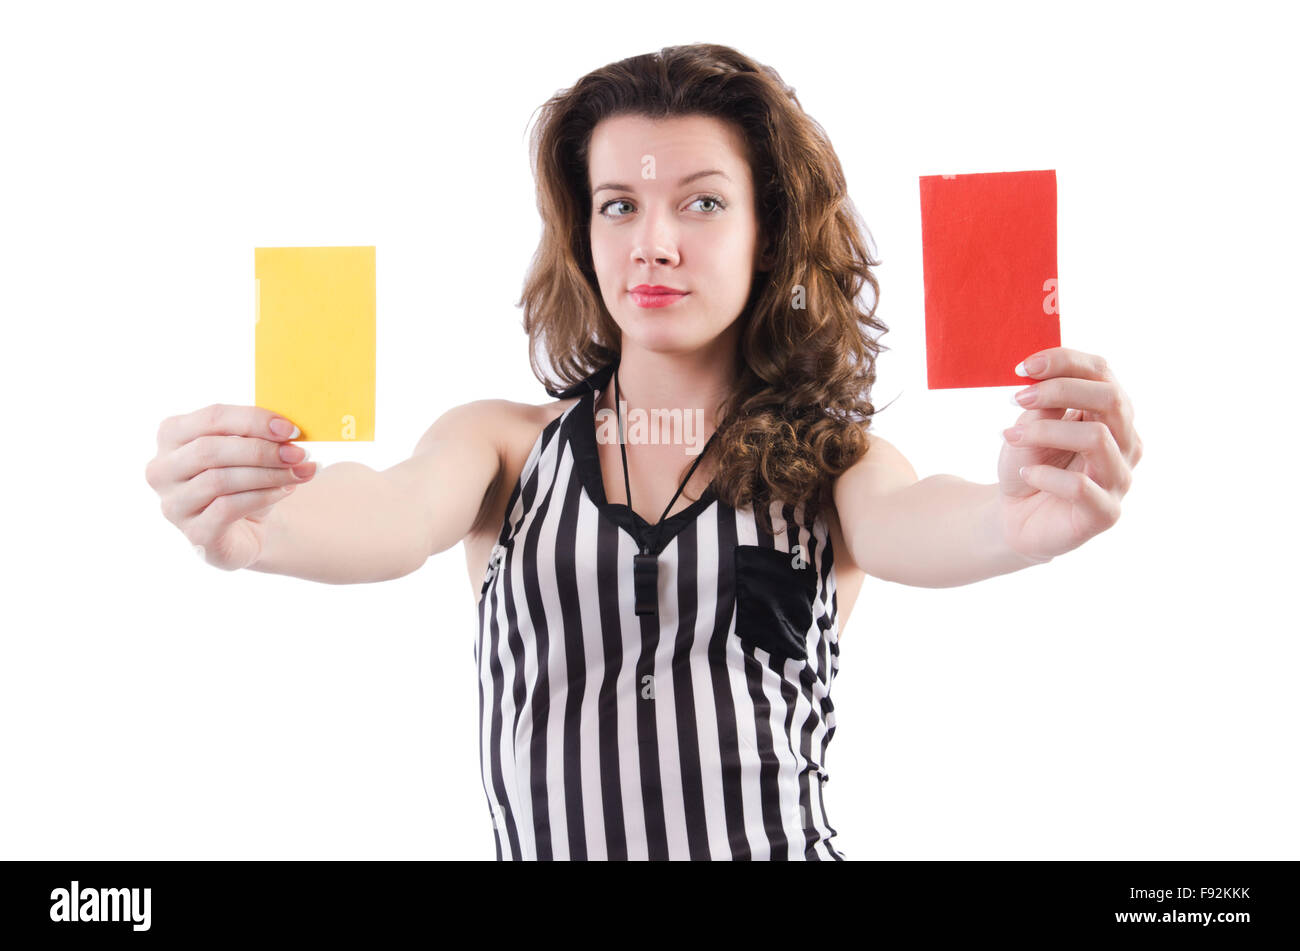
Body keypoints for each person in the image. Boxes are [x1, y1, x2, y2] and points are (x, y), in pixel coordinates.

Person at [144, 43, 1142, 861]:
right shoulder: (500, 447)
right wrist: (259, 525)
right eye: (618, 203)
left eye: (702, 203)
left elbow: (924, 522)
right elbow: (394, 513)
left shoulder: (833, 465)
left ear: (768, 237)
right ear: (585, 232)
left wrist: (1017, 523)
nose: (651, 243)